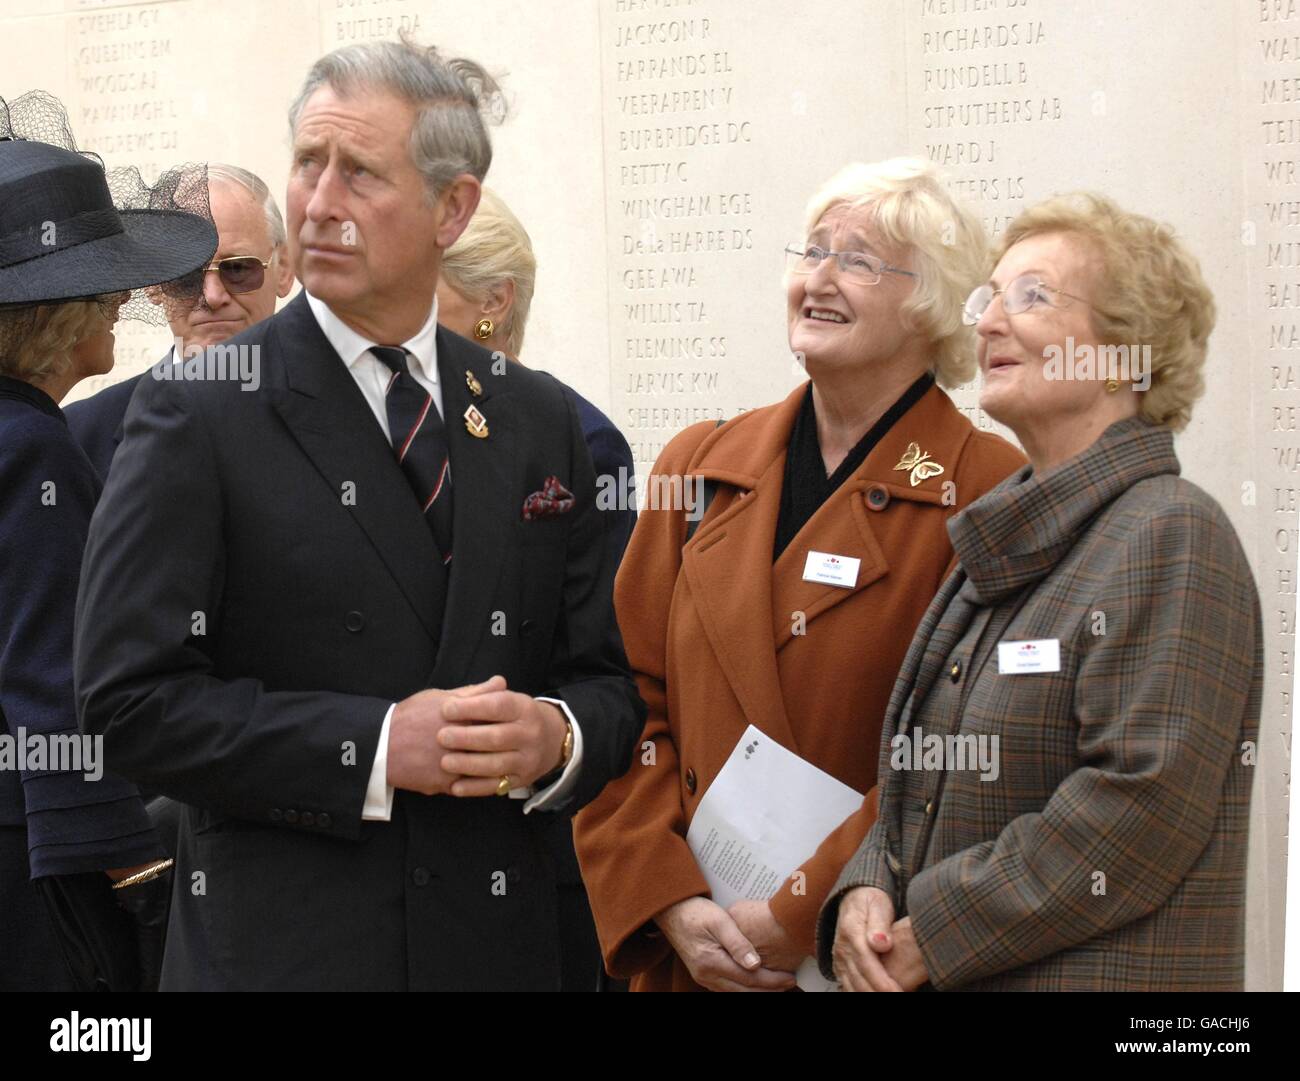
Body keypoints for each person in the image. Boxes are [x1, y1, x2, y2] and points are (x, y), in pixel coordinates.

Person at [75, 38, 645, 991]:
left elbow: (607, 684)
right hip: (291, 956)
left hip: (500, 950)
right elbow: (127, 705)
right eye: (308, 162)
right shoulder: (201, 409)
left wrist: (556, 737)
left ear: (452, 208)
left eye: (362, 173)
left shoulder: (536, 416)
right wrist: (375, 746)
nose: (320, 203)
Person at [574, 159, 1026, 992]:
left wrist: (797, 912)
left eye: (857, 260)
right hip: (690, 950)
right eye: (810, 251)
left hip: (858, 951)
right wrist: (664, 894)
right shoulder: (698, 464)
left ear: (929, 304)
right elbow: (622, 697)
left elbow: (968, 753)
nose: (817, 278)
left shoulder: (987, 487)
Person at [819, 192, 1261, 992]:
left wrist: (934, 932)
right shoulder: (1002, 538)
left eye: (1032, 297)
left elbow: (1137, 811)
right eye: (988, 298)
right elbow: (914, 778)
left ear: (1126, 350)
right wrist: (862, 891)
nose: (987, 322)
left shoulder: (1172, 533)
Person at [0, 100, 217, 990]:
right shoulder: (31, 447)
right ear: (46, 313)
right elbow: (48, 673)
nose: (126, 299)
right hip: (37, 868)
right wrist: (131, 863)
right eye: (102, 284)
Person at [437, 186, 635, 991]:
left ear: (494, 303)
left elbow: (608, 670)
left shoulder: (581, 442)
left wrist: (551, 732)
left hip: (523, 858)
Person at [66, 163, 294, 481]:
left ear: (284, 270)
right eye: (186, 275)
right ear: (153, 283)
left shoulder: (352, 412)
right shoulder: (77, 439)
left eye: (238, 268)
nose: (212, 296)